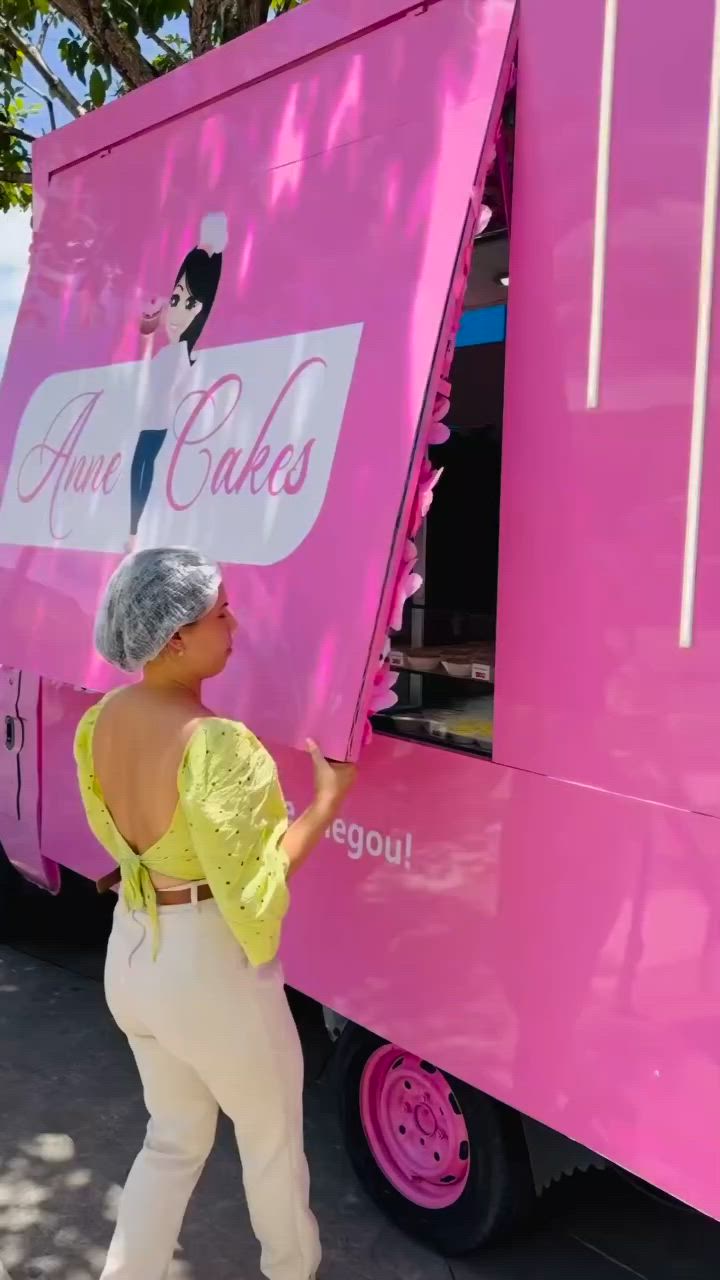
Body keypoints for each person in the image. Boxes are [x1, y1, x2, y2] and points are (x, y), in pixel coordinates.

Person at [74, 546, 356, 1280]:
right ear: (175, 636)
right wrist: (327, 804)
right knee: (269, 1144)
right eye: (220, 612)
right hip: (205, 969)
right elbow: (253, 887)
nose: (235, 623)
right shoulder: (216, 744)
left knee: (171, 1140)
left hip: (131, 950)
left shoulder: (99, 720)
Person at [128, 212, 227, 550]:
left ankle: (135, 530)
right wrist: (149, 322)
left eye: (189, 303)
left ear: (203, 310)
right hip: (151, 422)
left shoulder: (185, 358)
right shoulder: (167, 354)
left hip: (160, 425)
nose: (178, 311)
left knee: (145, 461)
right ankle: (134, 529)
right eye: (176, 299)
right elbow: (144, 336)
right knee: (142, 462)